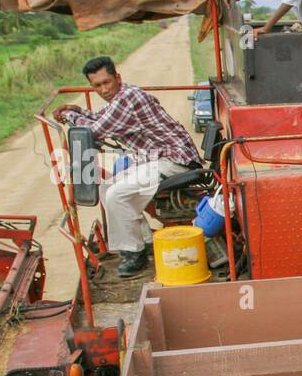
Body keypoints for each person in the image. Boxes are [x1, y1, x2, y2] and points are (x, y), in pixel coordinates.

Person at [53, 56, 200, 278]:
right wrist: (76, 110)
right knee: (107, 188)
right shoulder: (121, 98)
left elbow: (95, 130)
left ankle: (133, 253)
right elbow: (99, 117)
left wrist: (68, 114)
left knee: (117, 194)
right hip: (156, 159)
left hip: (175, 160)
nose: (103, 90)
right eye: (96, 86)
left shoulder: (129, 97)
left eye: (106, 82)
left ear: (118, 78)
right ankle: (145, 242)